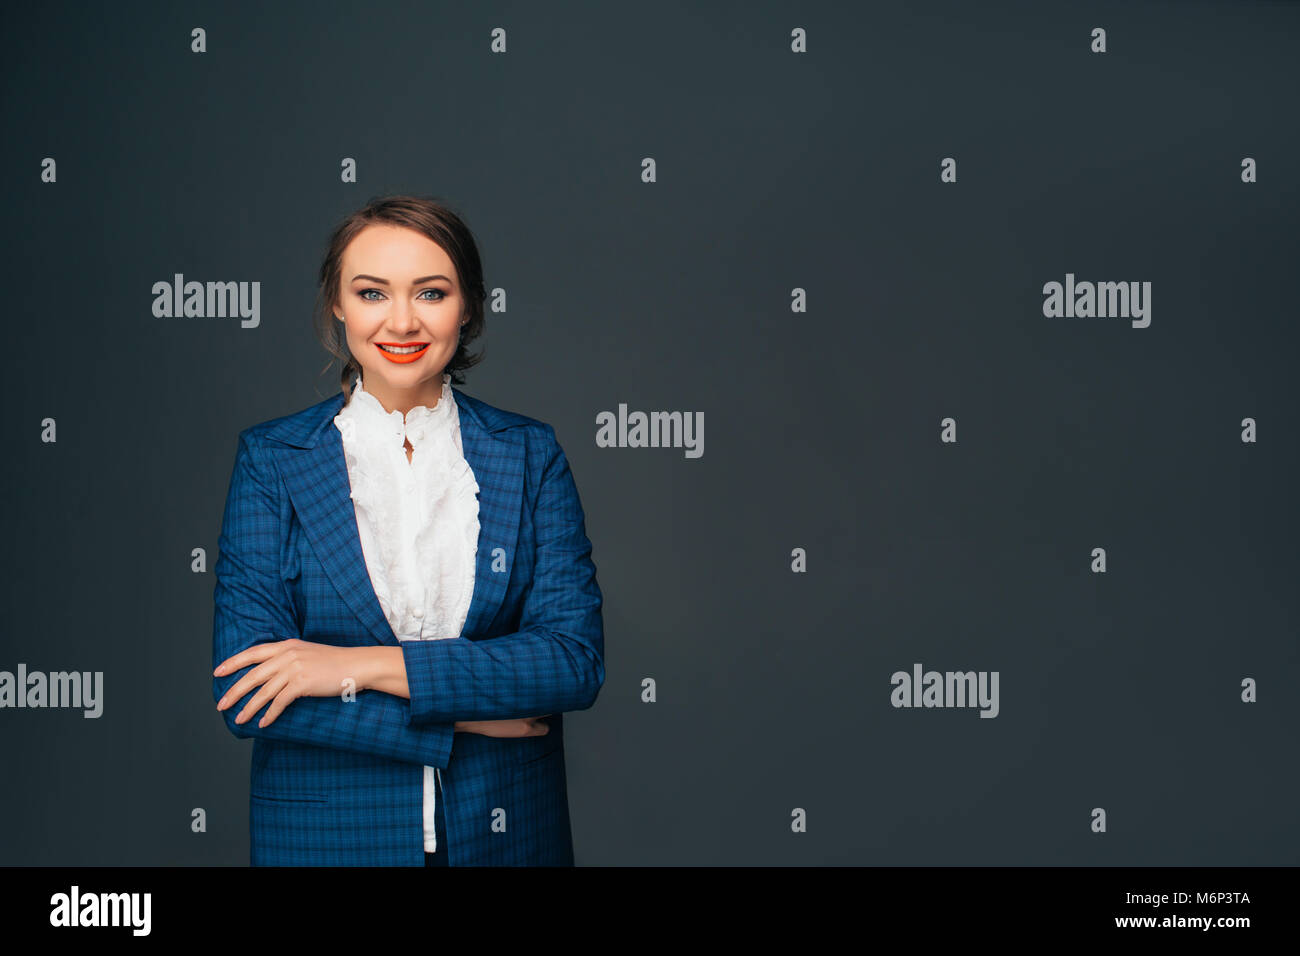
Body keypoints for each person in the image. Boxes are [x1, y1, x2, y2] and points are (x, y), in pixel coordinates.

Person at [211, 195, 604, 866]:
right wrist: (457, 717)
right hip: (326, 845)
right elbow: (247, 695)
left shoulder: (528, 453)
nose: (402, 320)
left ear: (469, 306)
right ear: (338, 304)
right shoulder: (273, 461)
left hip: (506, 838)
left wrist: (355, 666)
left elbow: (570, 662)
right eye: (371, 292)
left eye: (431, 292)